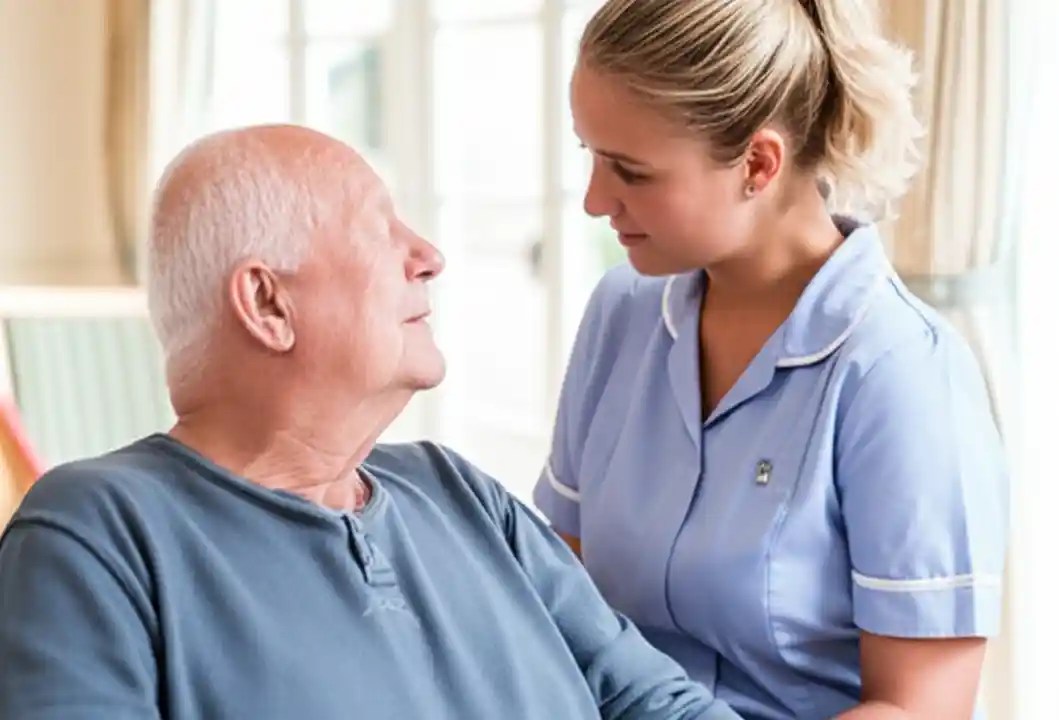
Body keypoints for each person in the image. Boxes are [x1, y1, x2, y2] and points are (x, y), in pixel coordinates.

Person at [0, 125, 740, 720]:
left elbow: (652, 701)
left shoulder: (458, 492)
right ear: (266, 304)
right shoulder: (94, 535)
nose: (429, 256)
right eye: (379, 229)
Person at [533, 1, 1008, 718]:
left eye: (631, 171)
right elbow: (554, 596)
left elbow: (919, 709)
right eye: (590, 157)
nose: (597, 201)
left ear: (757, 163)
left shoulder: (901, 374)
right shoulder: (621, 313)